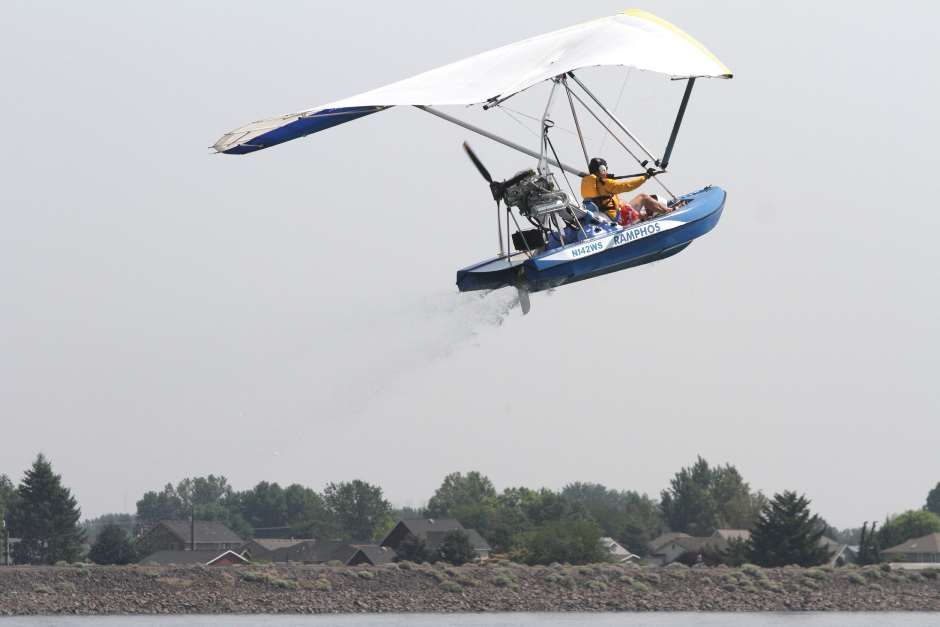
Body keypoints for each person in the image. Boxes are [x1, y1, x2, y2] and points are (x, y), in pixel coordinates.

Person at [580, 157, 671, 225]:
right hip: (616, 219)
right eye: (606, 169)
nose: (607, 171)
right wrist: (645, 177)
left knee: (623, 203)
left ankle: (643, 216)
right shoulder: (605, 183)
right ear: (602, 169)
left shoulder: (587, 184)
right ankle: (667, 211)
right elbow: (627, 186)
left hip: (604, 218)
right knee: (642, 197)